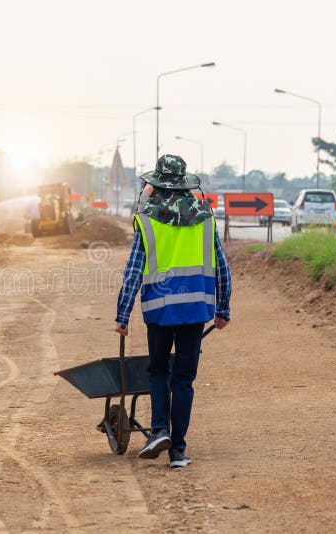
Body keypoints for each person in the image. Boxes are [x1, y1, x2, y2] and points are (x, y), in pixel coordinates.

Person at [114, 154, 232, 468]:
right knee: (183, 379)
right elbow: (222, 268)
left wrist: (122, 315)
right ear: (184, 185)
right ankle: (178, 451)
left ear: (155, 185)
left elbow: (134, 271)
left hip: (160, 309)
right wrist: (223, 309)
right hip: (195, 309)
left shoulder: (147, 218)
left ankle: (158, 430)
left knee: (157, 371)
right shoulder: (205, 218)